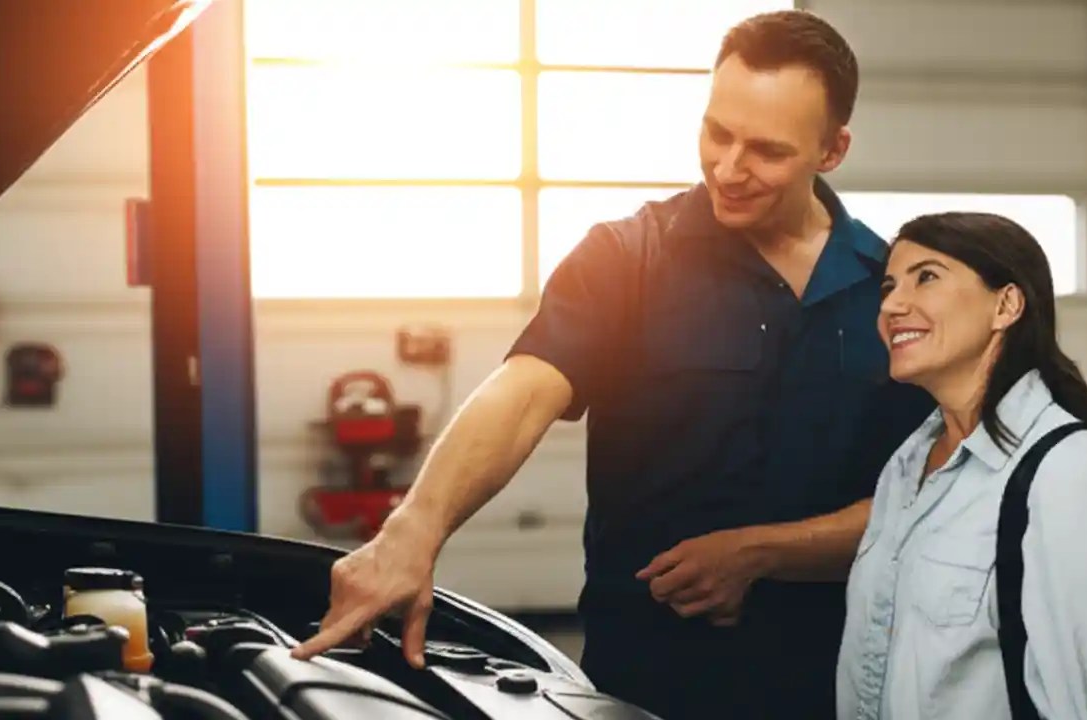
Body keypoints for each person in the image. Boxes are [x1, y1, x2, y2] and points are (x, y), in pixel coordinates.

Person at [292, 10, 934, 718]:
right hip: (647, 686)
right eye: (716, 133)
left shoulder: (894, 291)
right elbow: (525, 390)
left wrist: (761, 552)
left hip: (838, 687)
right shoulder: (629, 259)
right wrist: (412, 531)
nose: (728, 168)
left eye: (766, 151)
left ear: (832, 149)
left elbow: (926, 500)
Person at [836, 212, 1087, 719]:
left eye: (927, 277)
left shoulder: (1067, 472)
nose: (893, 304)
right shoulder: (907, 465)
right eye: (889, 286)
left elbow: (1083, 705)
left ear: (1006, 304)